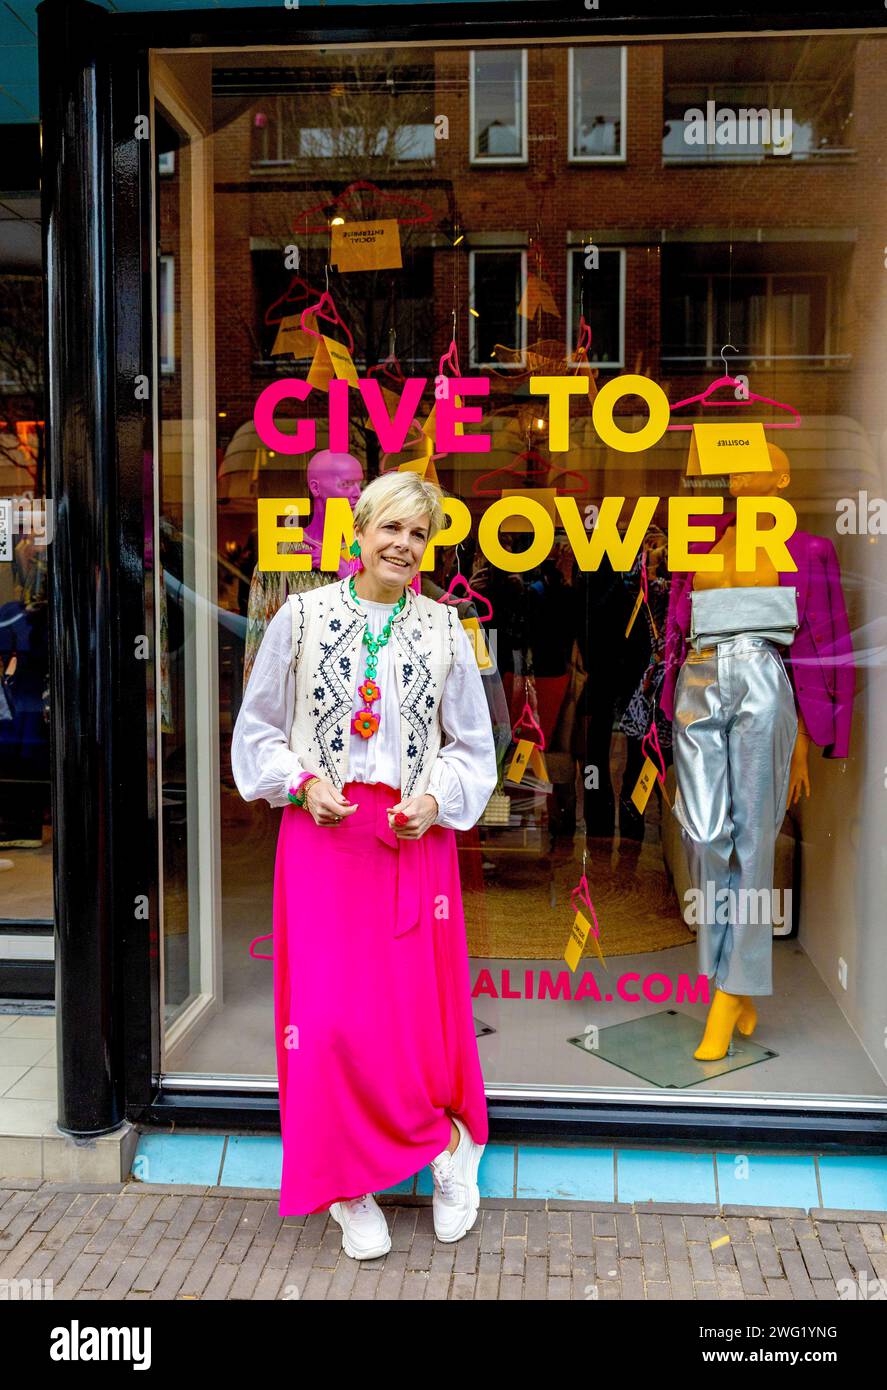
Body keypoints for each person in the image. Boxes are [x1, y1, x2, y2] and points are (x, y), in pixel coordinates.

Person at [231, 470, 498, 1260]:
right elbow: (257, 731)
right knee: (330, 1020)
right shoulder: (301, 617)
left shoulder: (449, 628)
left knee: (413, 1018)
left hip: (412, 839)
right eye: (391, 529)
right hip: (322, 839)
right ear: (360, 531)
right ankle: (350, 1187)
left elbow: (473, 746)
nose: (404, 546)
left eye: (419, 534)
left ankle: (451, 1151)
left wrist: (433, 798)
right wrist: (303, 782)